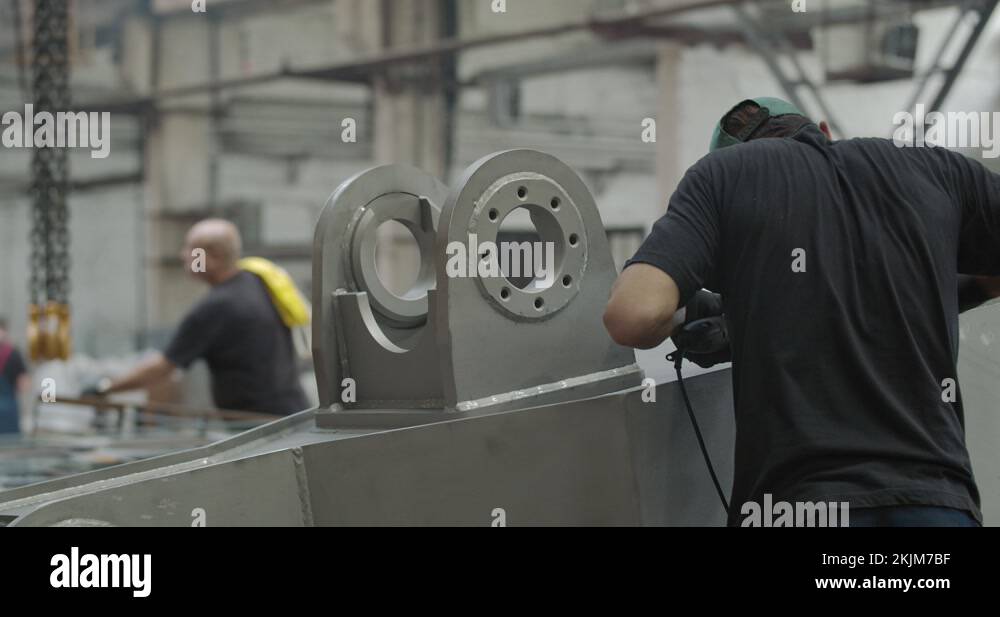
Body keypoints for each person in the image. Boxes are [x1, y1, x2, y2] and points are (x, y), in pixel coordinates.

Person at [604, 97, 1000, 527]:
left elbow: (634, 314)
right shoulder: (935, 168)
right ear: (823, 132)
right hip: (937, 505)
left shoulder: (723, 176)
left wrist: (695, 318)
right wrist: (930, 294)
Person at [88, 219, 309, 415]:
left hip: (258, 424)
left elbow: (164, 367)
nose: (183, 256)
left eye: (192, 250)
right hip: (293, 410)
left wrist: (104, 388)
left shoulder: (217, 306)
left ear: (213, 257)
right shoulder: (256, 280)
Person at [0, 317, 29, 435]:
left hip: (9, 409)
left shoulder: (14, 354)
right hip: (9, 408)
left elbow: (24, 383)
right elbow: (24, 384)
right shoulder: (14, 353)